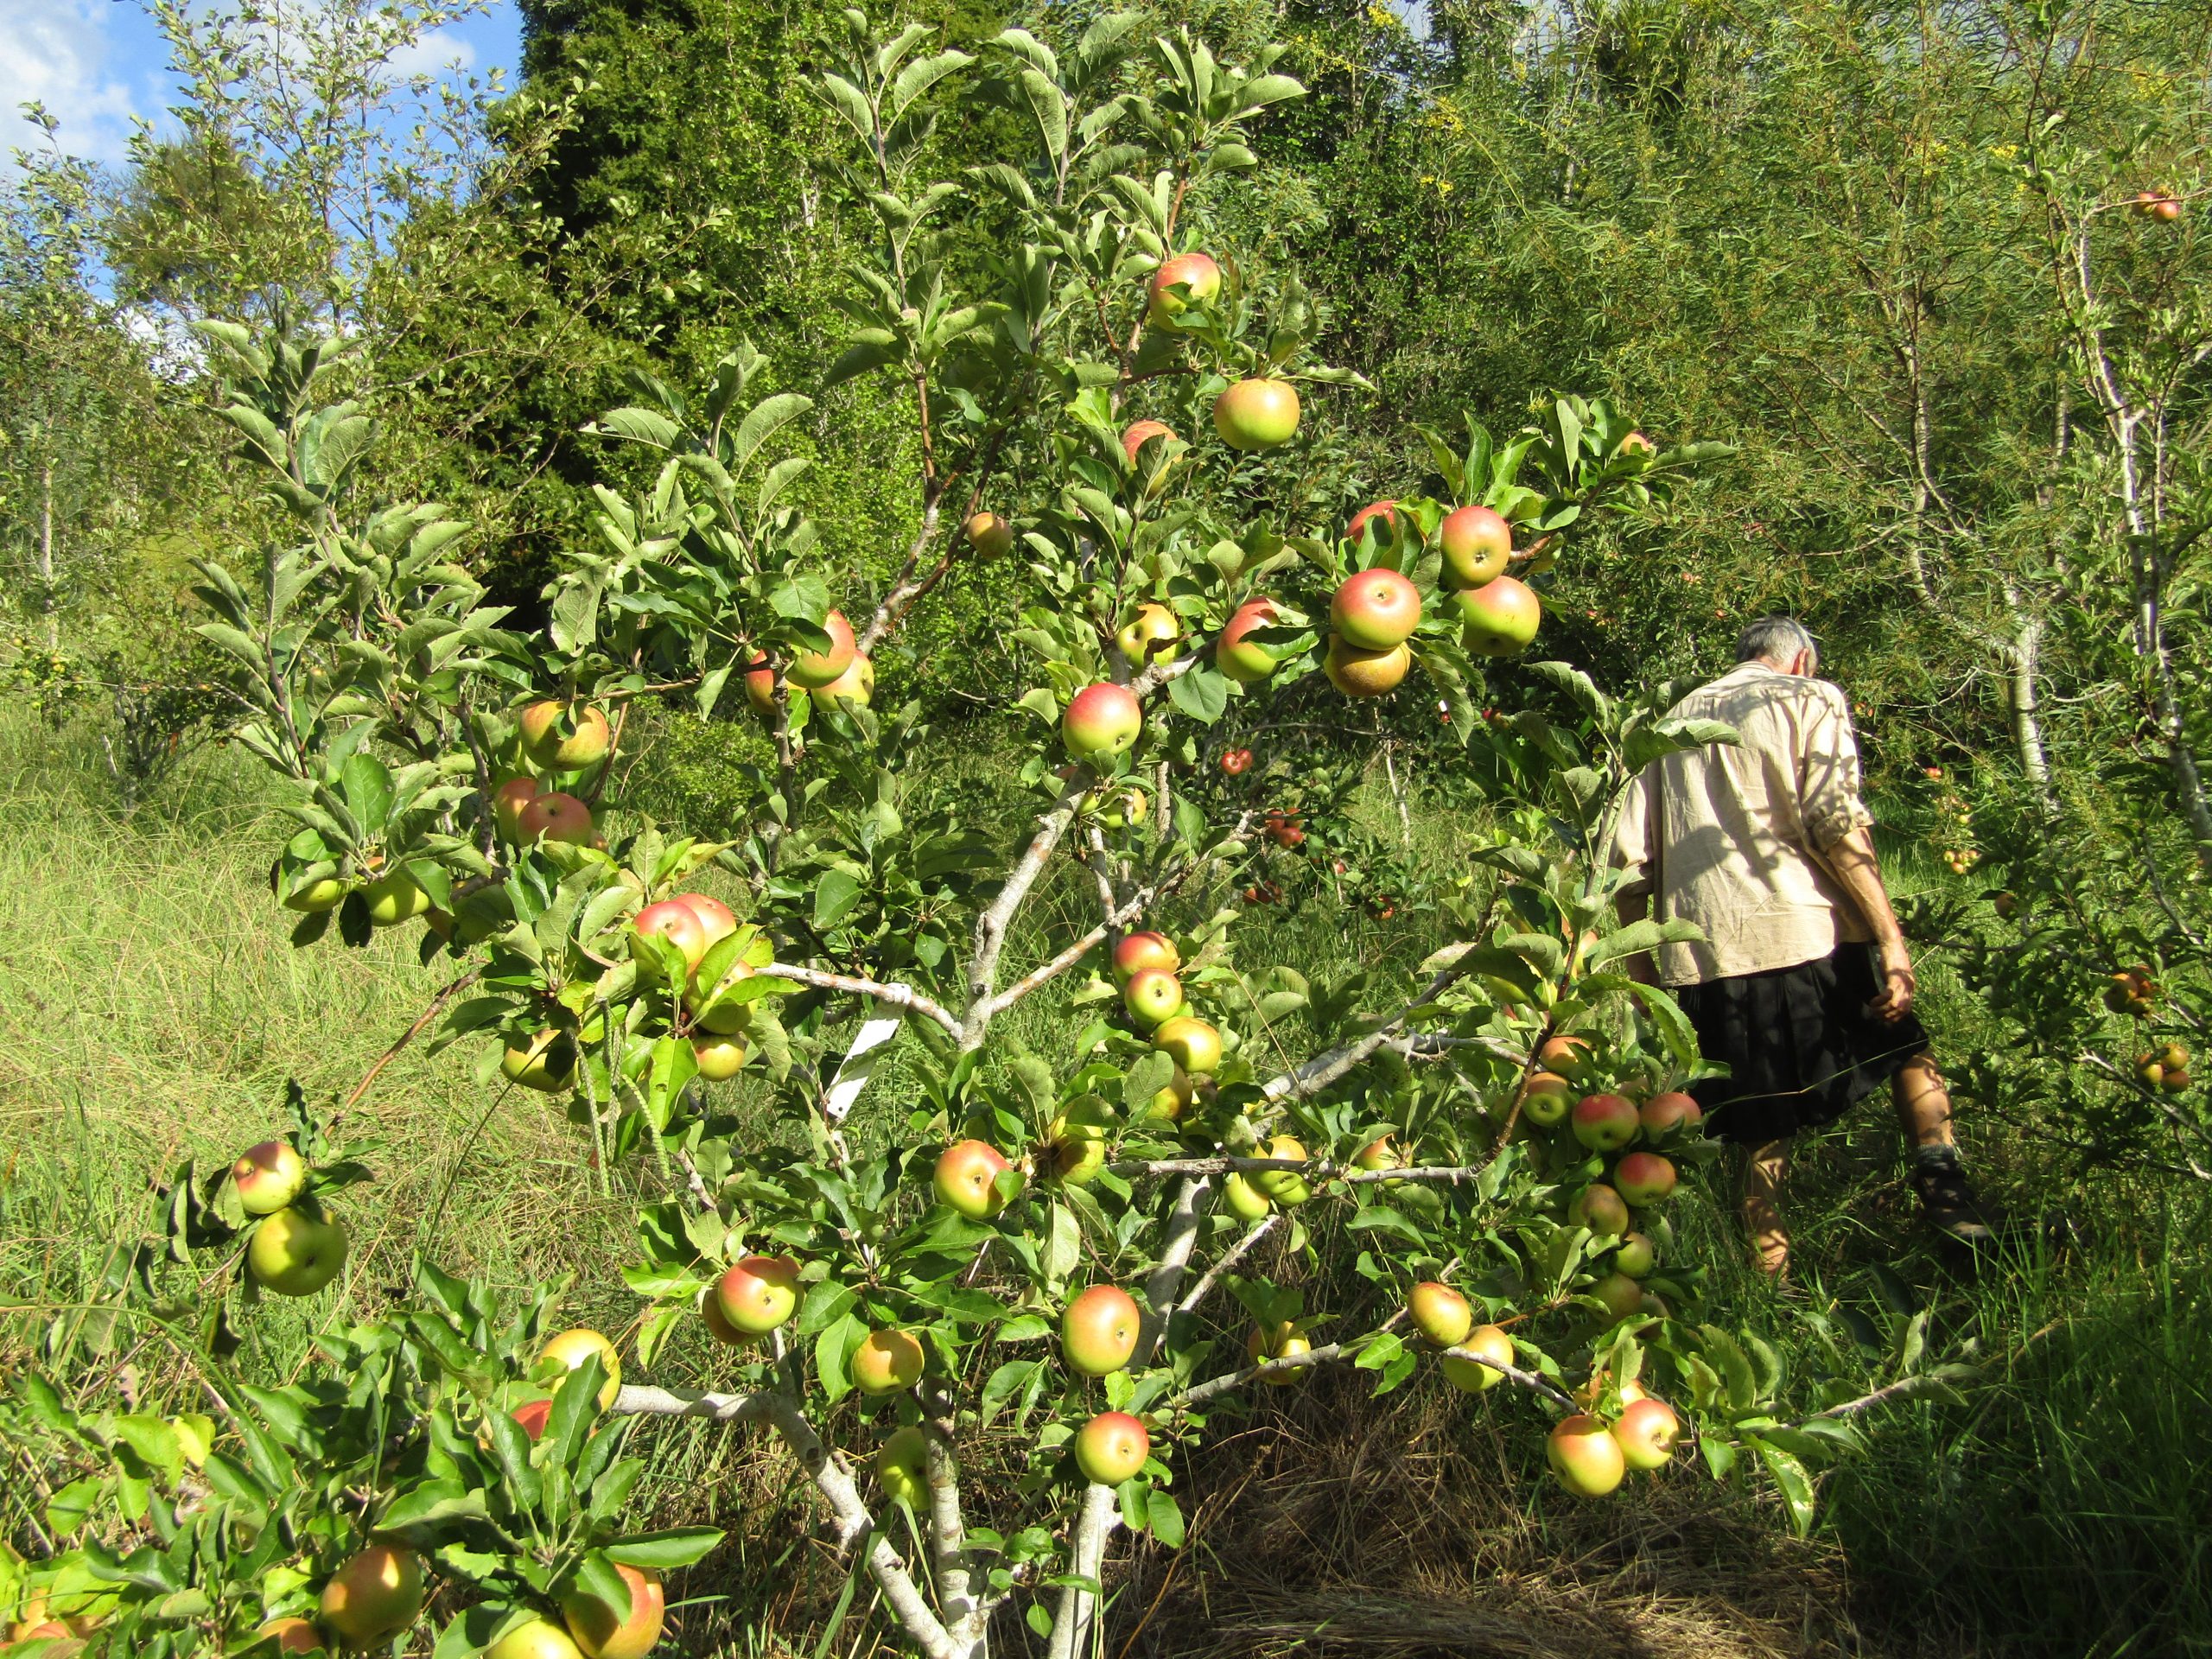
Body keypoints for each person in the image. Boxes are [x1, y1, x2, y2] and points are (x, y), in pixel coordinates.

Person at [1611, 616, 1999, 1276]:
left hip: (1706, 953)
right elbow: (1833, 822)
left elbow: (1628, 865)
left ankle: (1774, 1288)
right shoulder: (1810, 698)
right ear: (1801, 662)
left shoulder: (1668, 723)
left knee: (1764, 1124)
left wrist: (1645, 974)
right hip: (1805, 928)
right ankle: (1943, 1188)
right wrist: (1891, 938)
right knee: (1906, 1050)